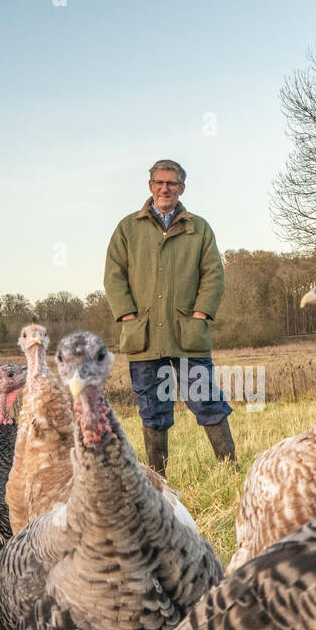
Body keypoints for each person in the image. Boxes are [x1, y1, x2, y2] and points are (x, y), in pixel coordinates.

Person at [103, 158, 234, 477]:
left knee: (206, 400)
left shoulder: (198, 227)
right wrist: (128, 315)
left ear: (181, 188)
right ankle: (159, 477)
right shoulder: (128, 228)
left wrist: (201, 312)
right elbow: (114, 275)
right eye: (159, 182)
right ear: (150, 186)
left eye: (172, 183)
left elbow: (213, 274)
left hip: (187, 332)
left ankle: (230, 469)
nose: (165, 188)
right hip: (143, 335)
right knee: (152, 407)